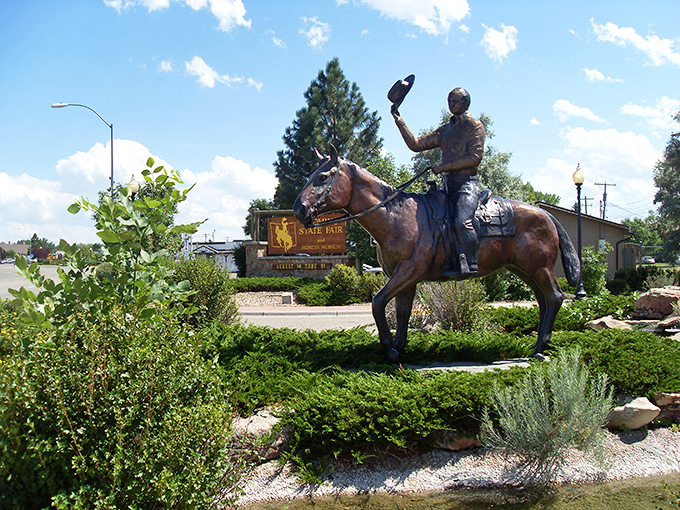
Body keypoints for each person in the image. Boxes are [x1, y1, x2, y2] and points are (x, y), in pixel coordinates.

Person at [391, 87, 485, 278]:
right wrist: (399, 120)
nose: (451, 104)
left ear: (465, 103)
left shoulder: (474, 126)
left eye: (455, 101)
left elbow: (474, 158)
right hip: (447, 187)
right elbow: (416, 145)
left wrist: (444, 167)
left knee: (461, 221)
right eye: (449, 101)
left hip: (466, 185)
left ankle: (471, 264)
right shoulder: (445, 130)